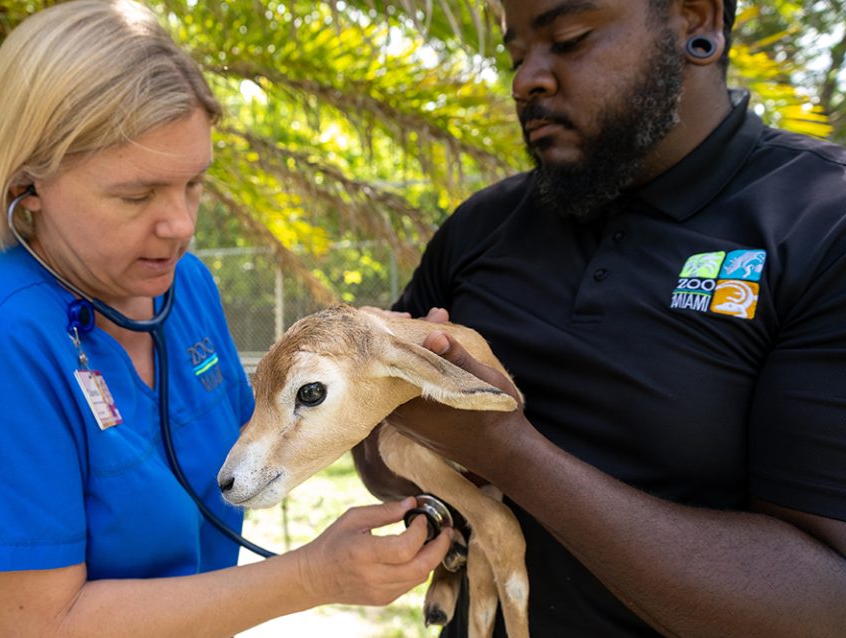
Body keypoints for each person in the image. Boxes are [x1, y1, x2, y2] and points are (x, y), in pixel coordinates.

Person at [0, 1, 451, 636]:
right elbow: (43, 626)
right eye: (136, 195)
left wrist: (383, 385)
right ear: (28, 185)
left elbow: (264, 435)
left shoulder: (187, 289)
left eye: (193, 184)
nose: (180, 226)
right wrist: (312, 576)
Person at [354, 0, 846, 636]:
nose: (526, 79)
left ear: (696, 21)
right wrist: (428, 450)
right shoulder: (482, 226)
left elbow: (824, 601)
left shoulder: (820, 223)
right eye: (515, 54)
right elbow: (373, 443)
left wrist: (506, 452)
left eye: (568, 39)